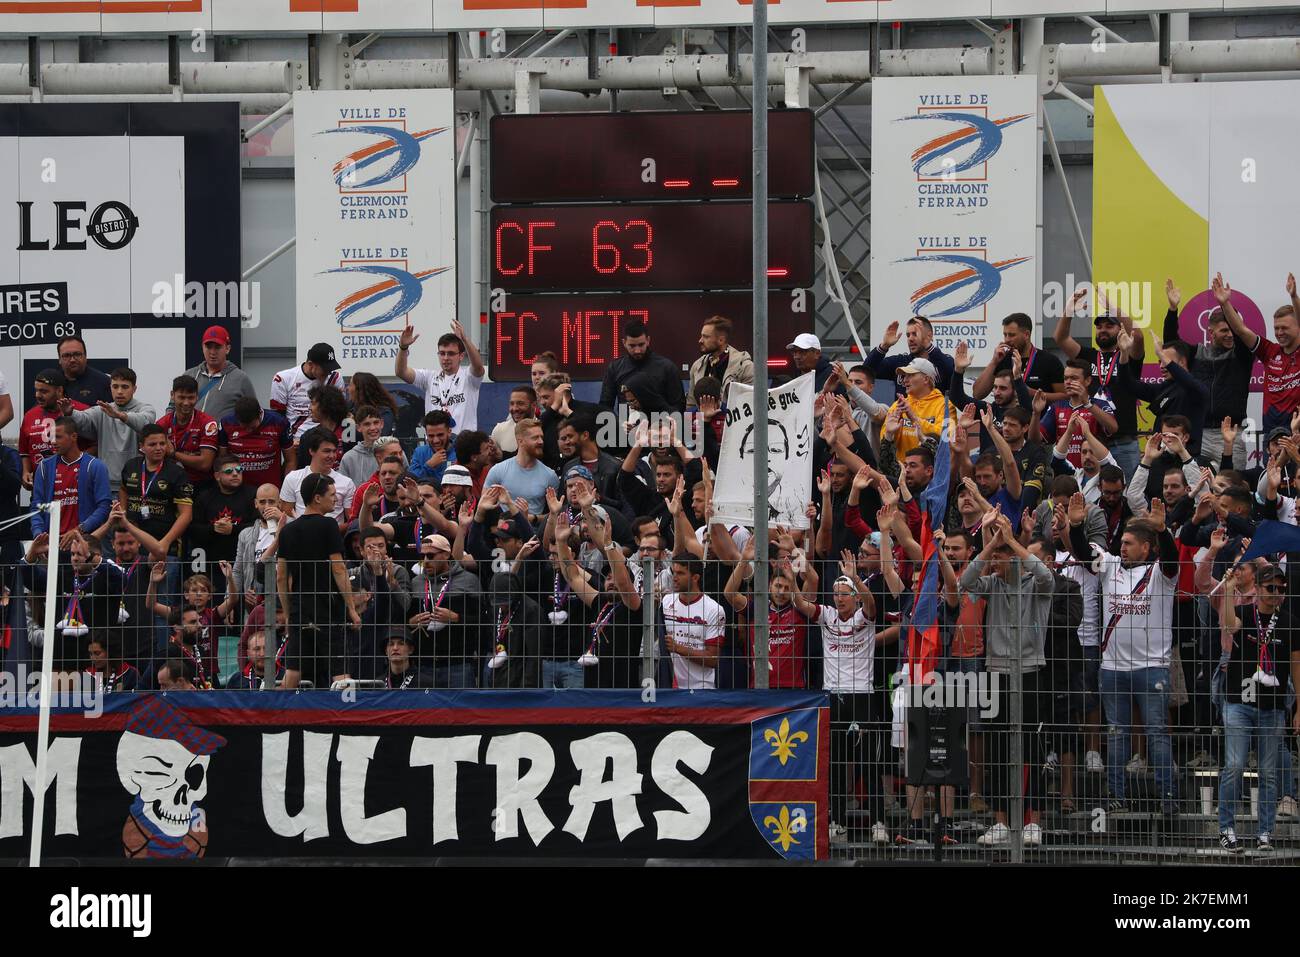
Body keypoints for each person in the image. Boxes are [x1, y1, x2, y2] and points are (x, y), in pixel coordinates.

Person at [1067, 493, 1180, 817]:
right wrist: (1076, 528)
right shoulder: (1111, 566)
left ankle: (1168, 797)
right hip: (1112, 667)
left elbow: (1172, 559)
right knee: (1116, 733)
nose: (1123, 547)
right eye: (1123, 542)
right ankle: (1116, 795)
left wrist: (1163, 532)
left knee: (1156, 733)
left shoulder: (1162, 573)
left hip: (1152, 668)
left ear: (1146, 547)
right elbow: (1085, 554)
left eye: (1129, 543)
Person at [959, 511, 1055, 847]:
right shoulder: (992, 583)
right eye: (996, 557)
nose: (996, 562)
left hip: (1029, 671)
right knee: (998, 749)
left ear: (1017, 558)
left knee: (1031, 748)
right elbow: (965, 582)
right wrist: (991, 547)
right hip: (996, 671)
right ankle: (1001, 821)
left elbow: (1045, 573)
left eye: (1002, 557)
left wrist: (1013, 542)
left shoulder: (1036, 585)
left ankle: (1032, 821)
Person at [1215, 564, 1296, 853]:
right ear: (1259, 588)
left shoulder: (1289, 621)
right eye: (1271, 588)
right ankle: (1226, 827)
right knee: (1234, 766)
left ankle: (1265, 833)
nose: (1276, 594)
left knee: (1269, 772)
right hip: (1238, 703)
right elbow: (1227, 625)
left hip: (1272, 707)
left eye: (1281, 589)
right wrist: (1226, 590)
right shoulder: (1246, 613)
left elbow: (1297, 666)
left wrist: (1299, 708)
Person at [276, 473, 360, 689]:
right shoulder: (328, 525)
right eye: (332, 495)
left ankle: (280, 716)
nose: (336, 499)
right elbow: (339, 568)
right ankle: (345, 716)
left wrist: (288, 613)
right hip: (328, 606)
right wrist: (351, 608)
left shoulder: (287, 531)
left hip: (299, 608)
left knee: (293, 670)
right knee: (340, 670)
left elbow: (281, 576)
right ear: (317, 498)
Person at [1052, 288, 1146, 479]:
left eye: (1109, 326)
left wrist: (1113, 309)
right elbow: (1060, 339)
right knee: (1088, 494)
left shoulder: (1128, 355)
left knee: (1127, 494)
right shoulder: (1088, 357)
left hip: (1124, 441)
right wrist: (1068, 311)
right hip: (1092, 440)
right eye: (1099, 326)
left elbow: (1138, 336)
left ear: (1120, 329)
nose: (1103, 330)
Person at [1162, 279, 1253, 469]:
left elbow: (1241, 334)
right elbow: (1172, 344)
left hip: (1229, 434)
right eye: (1224, 330)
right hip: (1198, 432)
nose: (1230, 334)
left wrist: (1225, 305)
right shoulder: (1196, 353)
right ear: (1210, 332)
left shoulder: (1243, 355)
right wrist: (1172, 310)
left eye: (1232, 329)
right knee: (1194, 484)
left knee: (1231, 485)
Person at [1213, 271, 1300, 435]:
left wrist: (1294, 296)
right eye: (1276, 328)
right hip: (1272, 434)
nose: (1279, 332)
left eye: (1285, 328)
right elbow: (1240, 329)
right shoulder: (1270, 351)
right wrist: (1225, 304)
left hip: (1296, 432)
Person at [1116, 330, 1210, 456]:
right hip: (1161, 457)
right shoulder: (1162, 389)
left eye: (1164, 361)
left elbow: (1189, 382)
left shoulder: (1196, 389)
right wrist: (1124, 353)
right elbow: (1126, 383)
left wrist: (1160, 353)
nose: (1161, 366)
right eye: (1159, 361)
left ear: (1182, 362)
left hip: (1186, 459)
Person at [406, 532, 482, 687]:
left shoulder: (469, 580)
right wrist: (411, 623)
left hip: (458, 664)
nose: (425, 561)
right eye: (423, 557)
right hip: (423, 664)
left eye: (430, 556)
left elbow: (483, 621)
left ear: (446, 555)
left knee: (461, 711)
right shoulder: (415, 582)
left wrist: (456, 618)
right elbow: (402, 619)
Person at [66, 367, 155, 494]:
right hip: (107, 486)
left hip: (136, 485)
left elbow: (146, 423)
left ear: (134, 389)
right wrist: (70, 412)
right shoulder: (103, 409)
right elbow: (83, 420)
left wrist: (120, 415)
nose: (119, 391)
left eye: (125, 387)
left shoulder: (145, 408)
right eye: (115, 386)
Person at [31, 416, 112, 547]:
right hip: (51, 544)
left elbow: (104, 506)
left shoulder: (95, 466)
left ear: (74, 437)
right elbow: (37, 506)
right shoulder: (44, 467)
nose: (53, 442)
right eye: (51, 437)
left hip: (84, 543)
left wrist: (80, 529)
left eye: (58, 437)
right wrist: (39, 535)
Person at [396, 318, 485, 431]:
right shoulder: (429, 377)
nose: (446, 358)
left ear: (461, 356)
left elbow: (478, 367)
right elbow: (401, 372)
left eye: (451, 354)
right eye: (442, 353)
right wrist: (403, 348)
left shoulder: (469, 377)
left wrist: (465, 340)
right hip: (435, 442)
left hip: (463, 444)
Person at [189, 452, 257, 593]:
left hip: (244, 564)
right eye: (228, 471)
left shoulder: (253, 495)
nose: (235, 474)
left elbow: (259, 526)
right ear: (217, 476)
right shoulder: (204, 497)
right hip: (212, 566)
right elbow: (193, 529)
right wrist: (214, 528)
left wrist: (233, 529)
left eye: (239, 470)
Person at [1033, 359, 1118, 471]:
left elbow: (1113, 428)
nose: (1068, 382)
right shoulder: (1057, 407)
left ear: (1087, 381)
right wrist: (1036, 413)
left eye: (1074, 378)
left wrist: (1088, 404)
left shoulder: (1099, 404)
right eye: (1065, 378)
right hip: (1065, 474)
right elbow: (1034, 440)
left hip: (1095, 472)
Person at [972, 313, 1066, 404]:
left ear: (1026, 335)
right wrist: (994, 362)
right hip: (1008, 418)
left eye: (1012, 335)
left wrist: (1031, 393)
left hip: (1038, 418)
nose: (1007, 339)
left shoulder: (1049, 360)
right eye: (1005, 335)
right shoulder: (1002, 359)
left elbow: (1065, 397)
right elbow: (977, 394)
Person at [599, 320, 686, 415]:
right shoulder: (614, 368)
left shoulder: (667, 368)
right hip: (626, 426)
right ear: (624, 343)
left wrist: (662, 425)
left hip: (659, 425)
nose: (637, 350)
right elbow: (605, 407)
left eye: (641, 345)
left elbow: (679, 407)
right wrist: (618, 424)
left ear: (648, 341)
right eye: (632, 346)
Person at [880, 358, 957, 464]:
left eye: (910, 375)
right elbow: (884, 443)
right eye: (904, 376)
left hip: (931, 472)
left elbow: (948, 438)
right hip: (901, 472)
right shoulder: (898, 405)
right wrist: (890, 433)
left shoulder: (946, 405)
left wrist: (914, 419)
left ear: (926, 379)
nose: (904, 380)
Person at [19, 369, 88, 488]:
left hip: (75, 487)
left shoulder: (82, 411)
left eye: (44, 391)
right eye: (36, 390)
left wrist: (73, 465)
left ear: (59, 390)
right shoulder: (30, 416)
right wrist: (25, 472)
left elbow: (95, 446)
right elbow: (24, 452)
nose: (38, 395)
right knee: (43, 508)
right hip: (43, 489)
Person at [482, 418, 559, 519]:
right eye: (535, 438)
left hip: (533, 532)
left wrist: (532, 518)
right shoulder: (498, 470)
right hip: (503, 530)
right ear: (520, 441)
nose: (541, 441)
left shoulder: (550, 475)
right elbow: (483, 506)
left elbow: (555, 514)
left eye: (541, 437)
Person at [280, 427, 356, 526]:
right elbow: (286, 514)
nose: (332, 456)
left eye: (334, 451)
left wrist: (328, 532)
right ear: (312, 451)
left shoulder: (346, 483)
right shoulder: (293, 478)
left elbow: (351, 521)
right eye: (326, 451)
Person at [864, 316, 955, 398]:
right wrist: (884, 346)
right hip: (904, 415)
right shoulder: (900, 362)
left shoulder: (943, 360)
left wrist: (928, 345)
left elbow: (953, 373)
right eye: (908, 335)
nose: (910, 339)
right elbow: (866, 371)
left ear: (929, 335)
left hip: (936, 414)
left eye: (915, 334)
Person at [182, 325, 258, 423]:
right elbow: (173, 406)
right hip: (191, 436)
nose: (212, 352)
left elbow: (254, 413)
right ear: (202, 347)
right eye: (208, 347)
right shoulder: (189, 375)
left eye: (217, 347)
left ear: (227, 348)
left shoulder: (241, 379)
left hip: (224, 437)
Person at [271, 342, 345, 441]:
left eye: (330, 368)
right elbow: (278, 418)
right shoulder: (283, 378)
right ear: (310, 364)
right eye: (325, 369)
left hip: (326, 440)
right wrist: (288, 442)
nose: (328, 373)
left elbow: (340, 414)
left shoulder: (335, 378)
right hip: (296, 441)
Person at [219, 396, 296, 489]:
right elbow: (222, 460)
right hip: (238, 490)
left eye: (252, 427)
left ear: (260, 414)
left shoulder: (279, 422)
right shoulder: (226, 423)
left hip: (270, 489)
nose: (248, 431)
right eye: (244, 427)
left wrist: (286, 490)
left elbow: (291, 460)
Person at [157, 375, 219, 486]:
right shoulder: (162, 424)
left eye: (190, 397)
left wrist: (173, 454)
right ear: (172, 395)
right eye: (181, 397)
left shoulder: (208, 423)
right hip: (171, 483)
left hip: (201, 484)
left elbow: (205, 464)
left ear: (197, 397)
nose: (186, 403)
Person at [687, 316, 754, 407]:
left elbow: (751, 406)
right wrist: (702, 420)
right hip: (703, 420)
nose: (700, 340)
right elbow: (691, 405)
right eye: (701, 336)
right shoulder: (697, 366)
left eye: (706, 337)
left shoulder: (744, 367)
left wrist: (722, 418)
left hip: (732, 420)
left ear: (721, 340)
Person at [56, 333, 112, 407]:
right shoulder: (53, 383)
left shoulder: (103, 382)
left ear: (85, 356)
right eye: (67, 355)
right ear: (59, 359)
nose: (72, 360)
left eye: (77, 354)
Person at [410, 410, 456, 484]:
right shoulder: (419, 453)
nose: (436, 440)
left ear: (449, 432)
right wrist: (429, 465)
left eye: (440, 435)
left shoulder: (460, 452)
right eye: (431, 436)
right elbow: (411, 482)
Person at [489, 386, 536, 456]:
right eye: (512, 404)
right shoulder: (499, 430)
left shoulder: (543, 428)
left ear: (533, 405)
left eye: (520, 403)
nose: (515, 408)